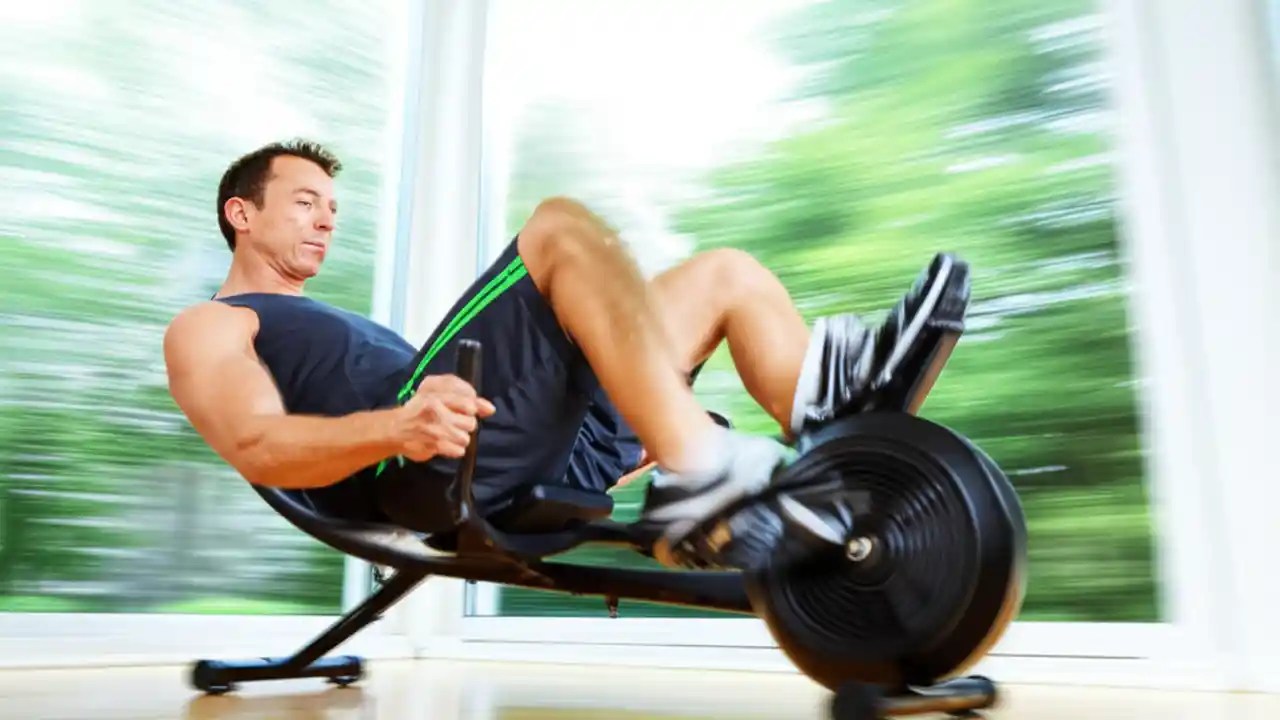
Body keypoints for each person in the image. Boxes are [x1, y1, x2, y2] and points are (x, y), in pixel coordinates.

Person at [163, 139, 970, 571]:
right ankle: (706, 471)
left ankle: (841, 424)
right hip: (426, 474)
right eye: (305, 203)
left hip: (498, 448)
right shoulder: (212, 323)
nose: (326, 220)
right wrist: (398, 429)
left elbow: (502, 401)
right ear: (241, 213)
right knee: (556, 228)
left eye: (333, 208)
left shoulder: (344, 329)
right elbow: (256, 446)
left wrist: (634, 428)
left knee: (725, 276)